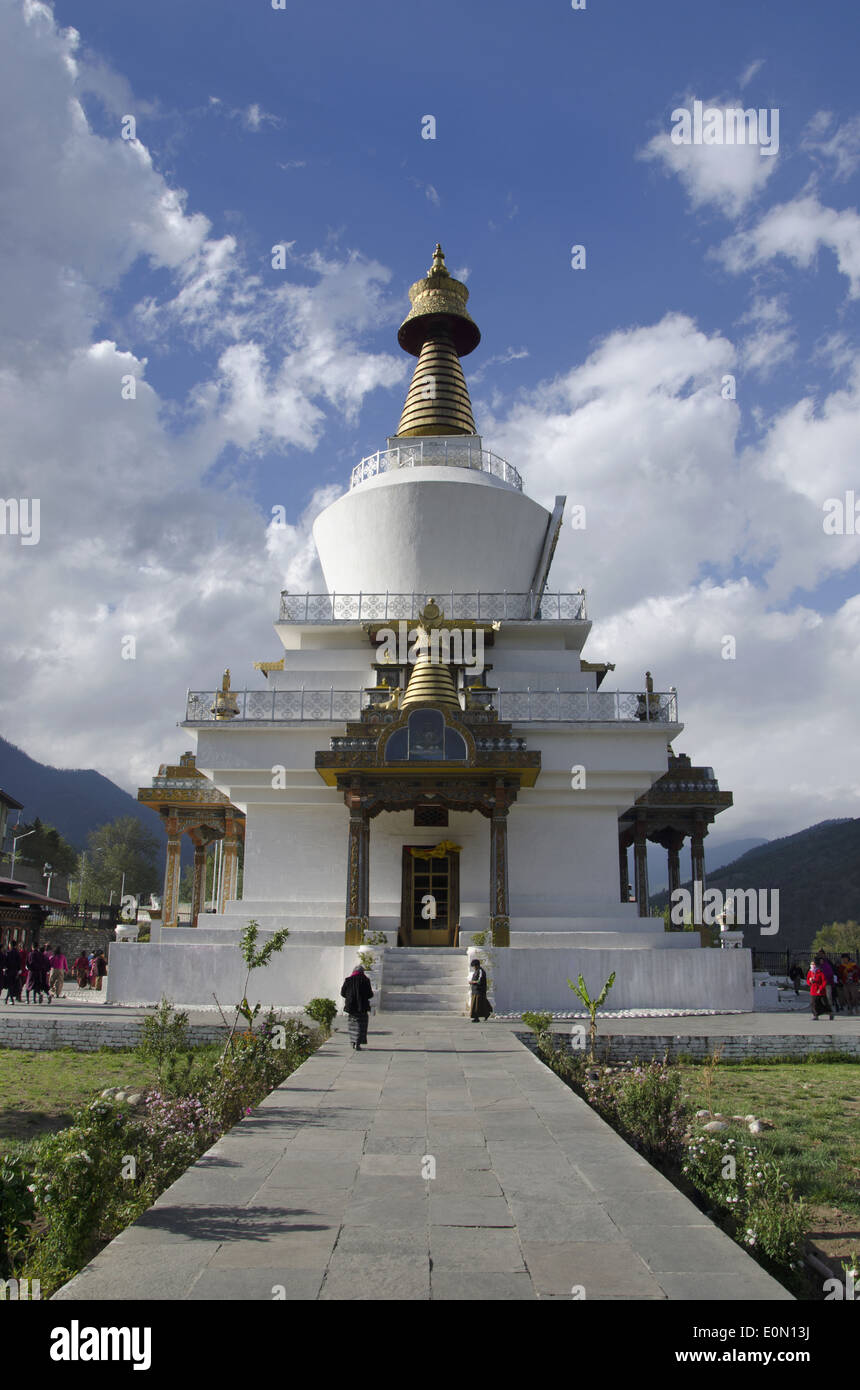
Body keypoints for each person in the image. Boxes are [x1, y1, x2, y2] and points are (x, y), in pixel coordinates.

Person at [340, 964, 373, 1050]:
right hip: (362, 1007)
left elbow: (343, 993)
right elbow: (370, 994)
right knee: (361, 1025)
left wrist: (350, 997)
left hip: (351, 1007)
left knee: (352, 1024)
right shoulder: (366, 980)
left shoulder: (348, 980)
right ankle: (358, 1042)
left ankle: (353, 1041)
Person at [468, 957, 493, 1021]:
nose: (474, 967)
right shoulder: (476, 971)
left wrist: (472, 982)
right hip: (475, 990)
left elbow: (479, 981)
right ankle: (486, 1013)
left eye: (474, 966)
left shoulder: (481, 971)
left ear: (477, 965)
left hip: (479, 991)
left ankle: (476, 1018)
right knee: (481, 1004)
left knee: (477, 1005)